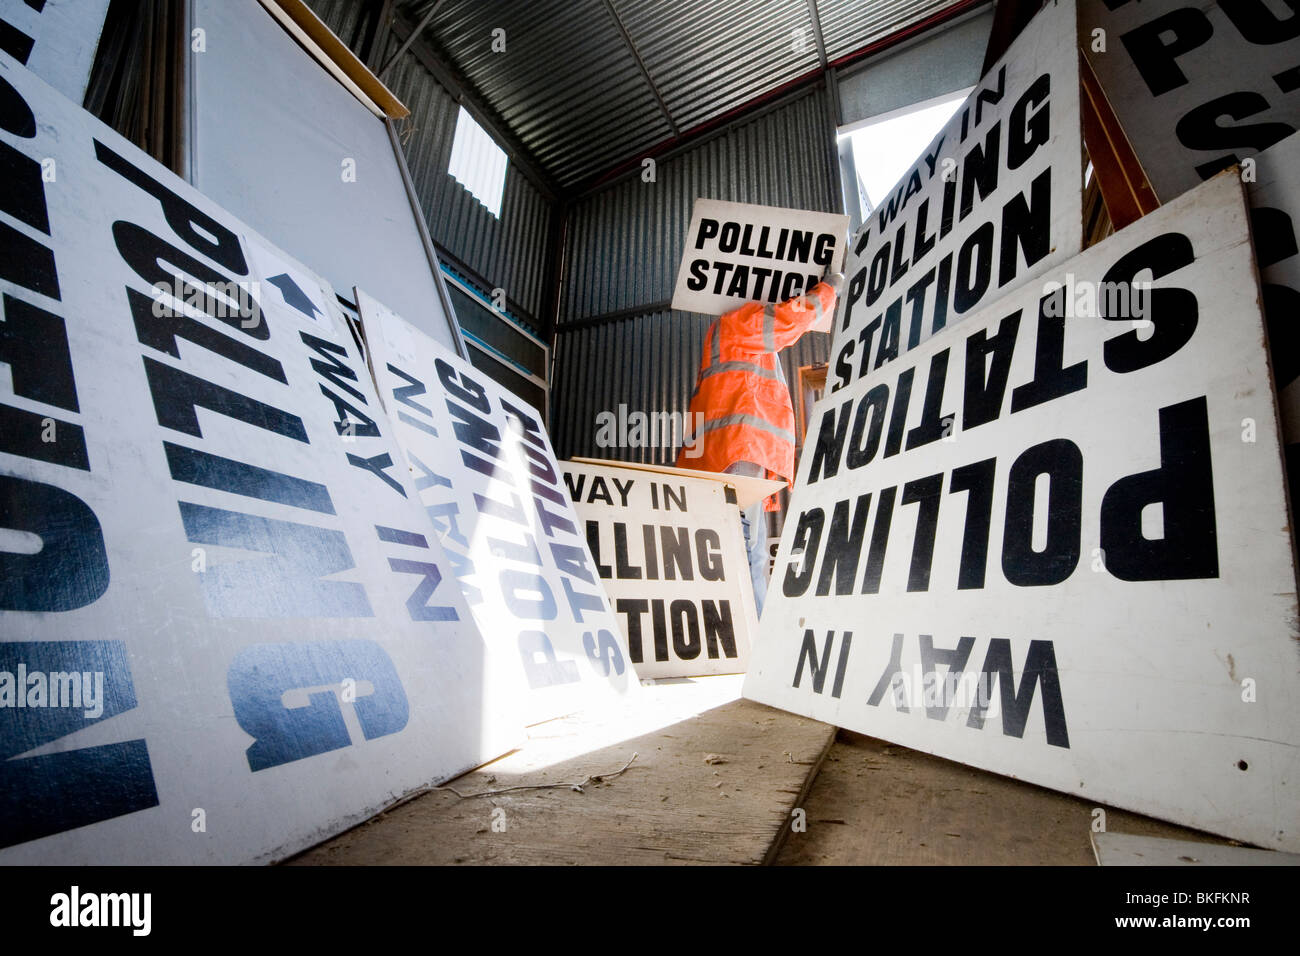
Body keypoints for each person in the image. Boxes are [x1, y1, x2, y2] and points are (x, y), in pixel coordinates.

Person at [677, 273, 844, 616]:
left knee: (746, 549)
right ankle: (752, 640)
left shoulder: (724, 335)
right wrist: (830, 289)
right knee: (746, 551)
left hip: (731, 454)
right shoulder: (740, 321)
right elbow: (789, 320)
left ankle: (747, 632)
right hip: (738, 452)